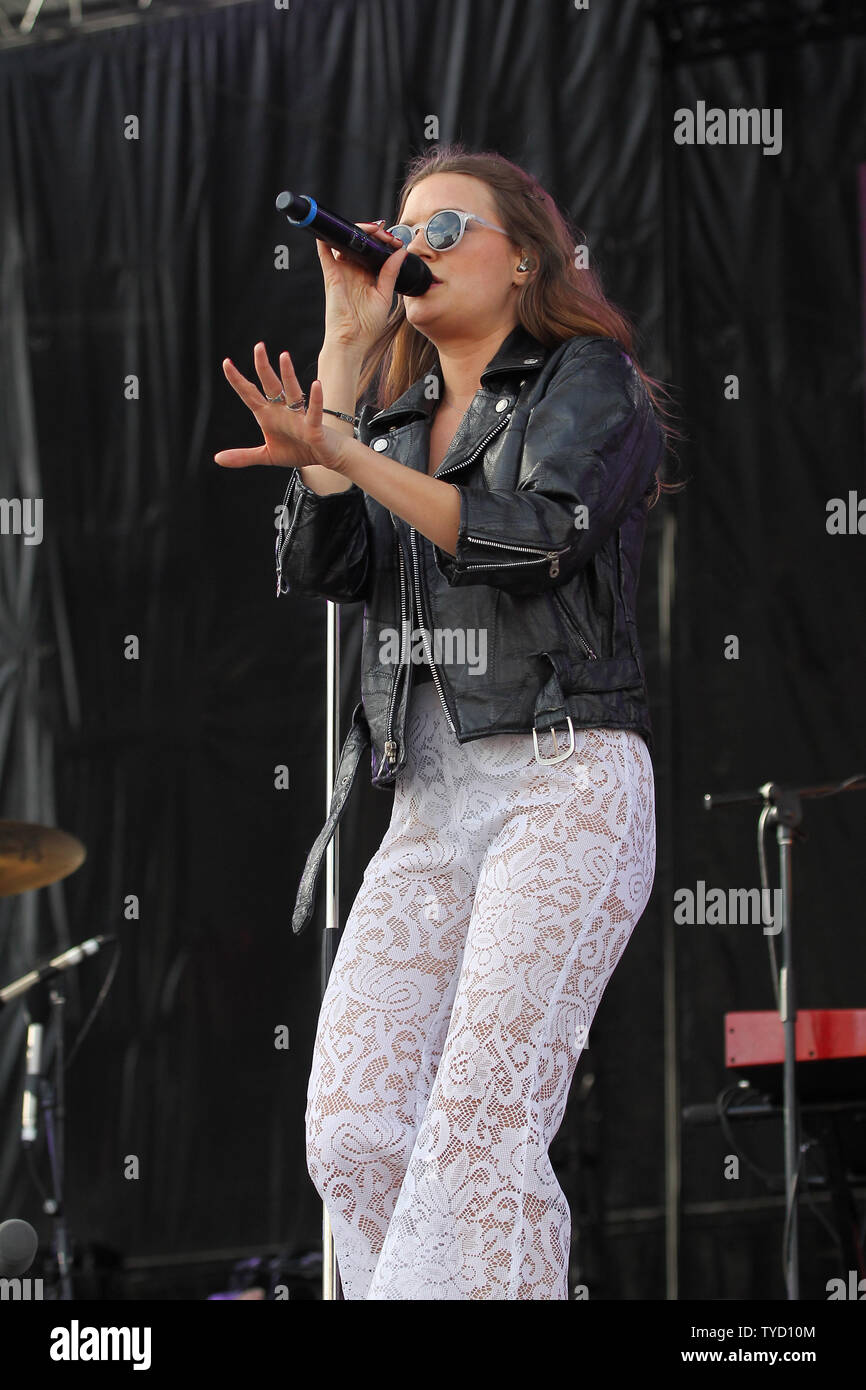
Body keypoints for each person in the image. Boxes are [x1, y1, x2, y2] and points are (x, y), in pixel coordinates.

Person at [215, 144, 680, 1300]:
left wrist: (348, 458)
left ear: (522, 258)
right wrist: (340, 356)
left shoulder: (588, 381)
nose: (410, 250)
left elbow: (532, 536)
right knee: (357, 1134)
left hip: (562, 782)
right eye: (400, 231)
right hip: (427, 804)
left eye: (442, 231)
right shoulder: (391, 412)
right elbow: (332, 570)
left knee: (478, 1130)